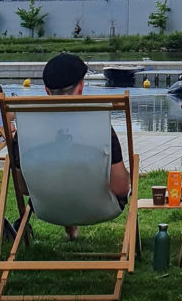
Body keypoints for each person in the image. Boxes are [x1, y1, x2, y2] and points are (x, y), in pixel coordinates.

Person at [41, 53, 131, 240]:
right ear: (81, 87)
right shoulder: (99, 126)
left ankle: (70, 227)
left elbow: (23, 187)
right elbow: (121, 188)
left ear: (47, 90)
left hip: (46, 206)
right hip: (98, 207)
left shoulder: (31, 128)